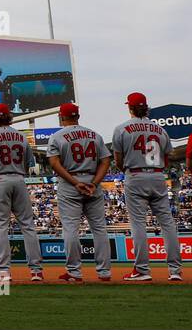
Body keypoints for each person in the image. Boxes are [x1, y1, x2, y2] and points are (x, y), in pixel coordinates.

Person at [111, 92, 183, 283]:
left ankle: (142, 270)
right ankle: (175, 270)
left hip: (135, 174)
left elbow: (118, 160)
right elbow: (168, 156)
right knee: (167, 223)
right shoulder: (160, 130)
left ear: (130, 107)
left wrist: (129, 170)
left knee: (138, 224)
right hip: (158, 175)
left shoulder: (121, 129)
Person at [0, 103, 43, 283]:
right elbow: (30, 163)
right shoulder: (21, 137)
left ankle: (3, 271)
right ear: (10, 117)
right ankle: (36, 271)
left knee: (0, 227)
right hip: (19, 179)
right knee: (27, 225)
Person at [45, 102, 112, 283]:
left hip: (70, 183)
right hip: (92, 181)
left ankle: (74, 272)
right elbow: (106, 161)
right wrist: (94, 183)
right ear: (78, 116)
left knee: (71, 229)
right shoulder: (94, 135)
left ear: (62, 117)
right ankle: (104, 272)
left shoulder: (57, 137)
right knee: (99, 228)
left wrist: (75, 183)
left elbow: (54, 163)